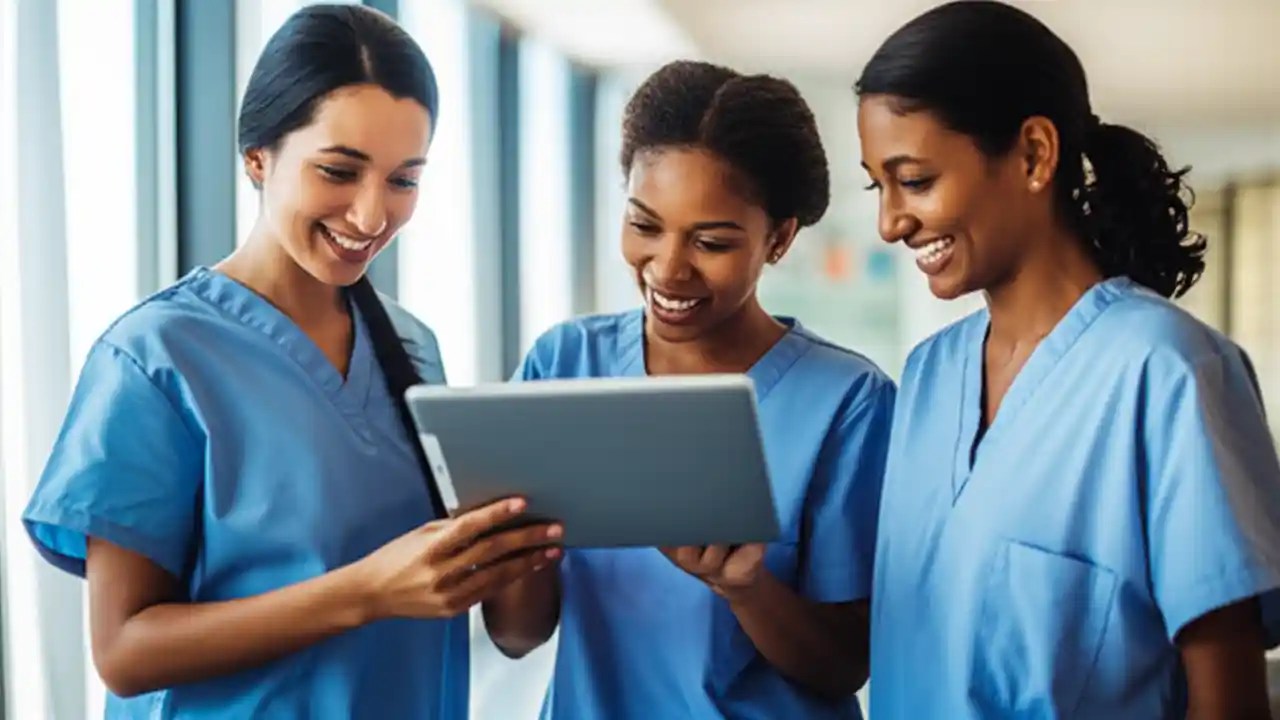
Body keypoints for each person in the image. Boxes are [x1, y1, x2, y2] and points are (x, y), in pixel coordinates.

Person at [22, 5, 558, 718]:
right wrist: (366, 593)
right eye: (339, 170)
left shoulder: (412, 345)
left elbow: (511, 628)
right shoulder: (156, 358)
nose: (371, 216)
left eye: (403, 180)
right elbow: (125, 652)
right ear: (257, 157)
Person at [856, 2, 1280, 718]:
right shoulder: (928, 377)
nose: (890, 222)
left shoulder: (1169, 372)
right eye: (879, 186)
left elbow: (1227, 701)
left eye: (916, 180)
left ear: (1033, 155)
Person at [483, 60, 895, 719]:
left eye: (710, 242)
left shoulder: (847, 402)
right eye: (645, 225)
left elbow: (845, 664)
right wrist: (515, 545)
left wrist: (745, 588)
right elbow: (516, 635)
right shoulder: (566, 361)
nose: (669, 269)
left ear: (779, 238)